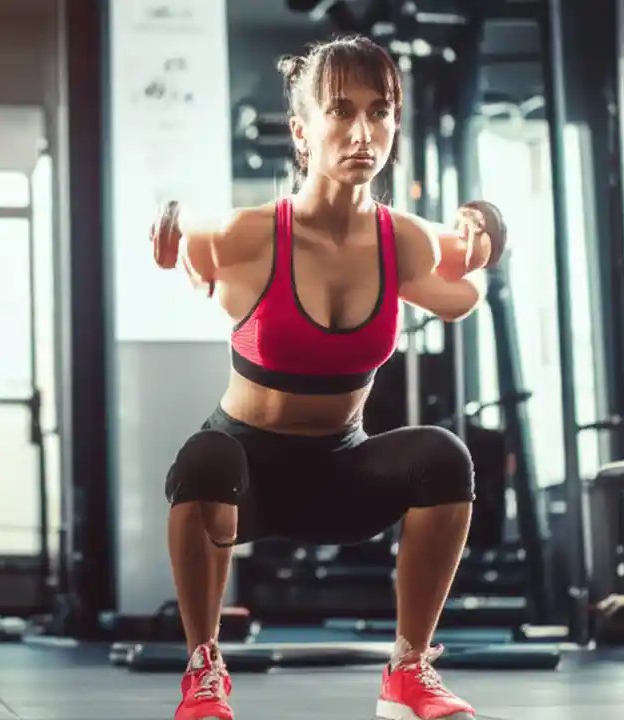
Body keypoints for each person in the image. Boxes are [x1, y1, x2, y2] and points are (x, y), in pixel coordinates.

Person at [155, 36, 495, 720]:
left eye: (381, 111)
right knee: (204, 458)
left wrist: (486, 227)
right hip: (245, 473)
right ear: (303, 132)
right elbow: (188, 239)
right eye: (341, 111)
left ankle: (406, 673)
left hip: (340, 472)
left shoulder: (404, 241)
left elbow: (465, 289)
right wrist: (172, 226)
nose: (364, 132)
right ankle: (204, 670)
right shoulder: (253, 236)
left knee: (443, 456)